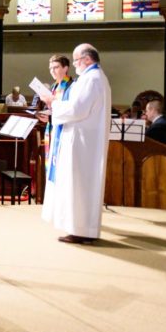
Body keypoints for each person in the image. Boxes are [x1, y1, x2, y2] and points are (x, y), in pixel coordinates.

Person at [41, 44, 111, 243]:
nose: (75, 64)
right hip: (83, 141)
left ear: (87, 59)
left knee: (79, 185)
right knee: (79, 185)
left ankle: (81, 231)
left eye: (76, 60)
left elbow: (77, 109)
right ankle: (79, 229)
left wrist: (52, 103)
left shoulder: (92, 79)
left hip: (82, 143)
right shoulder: (93, 78)